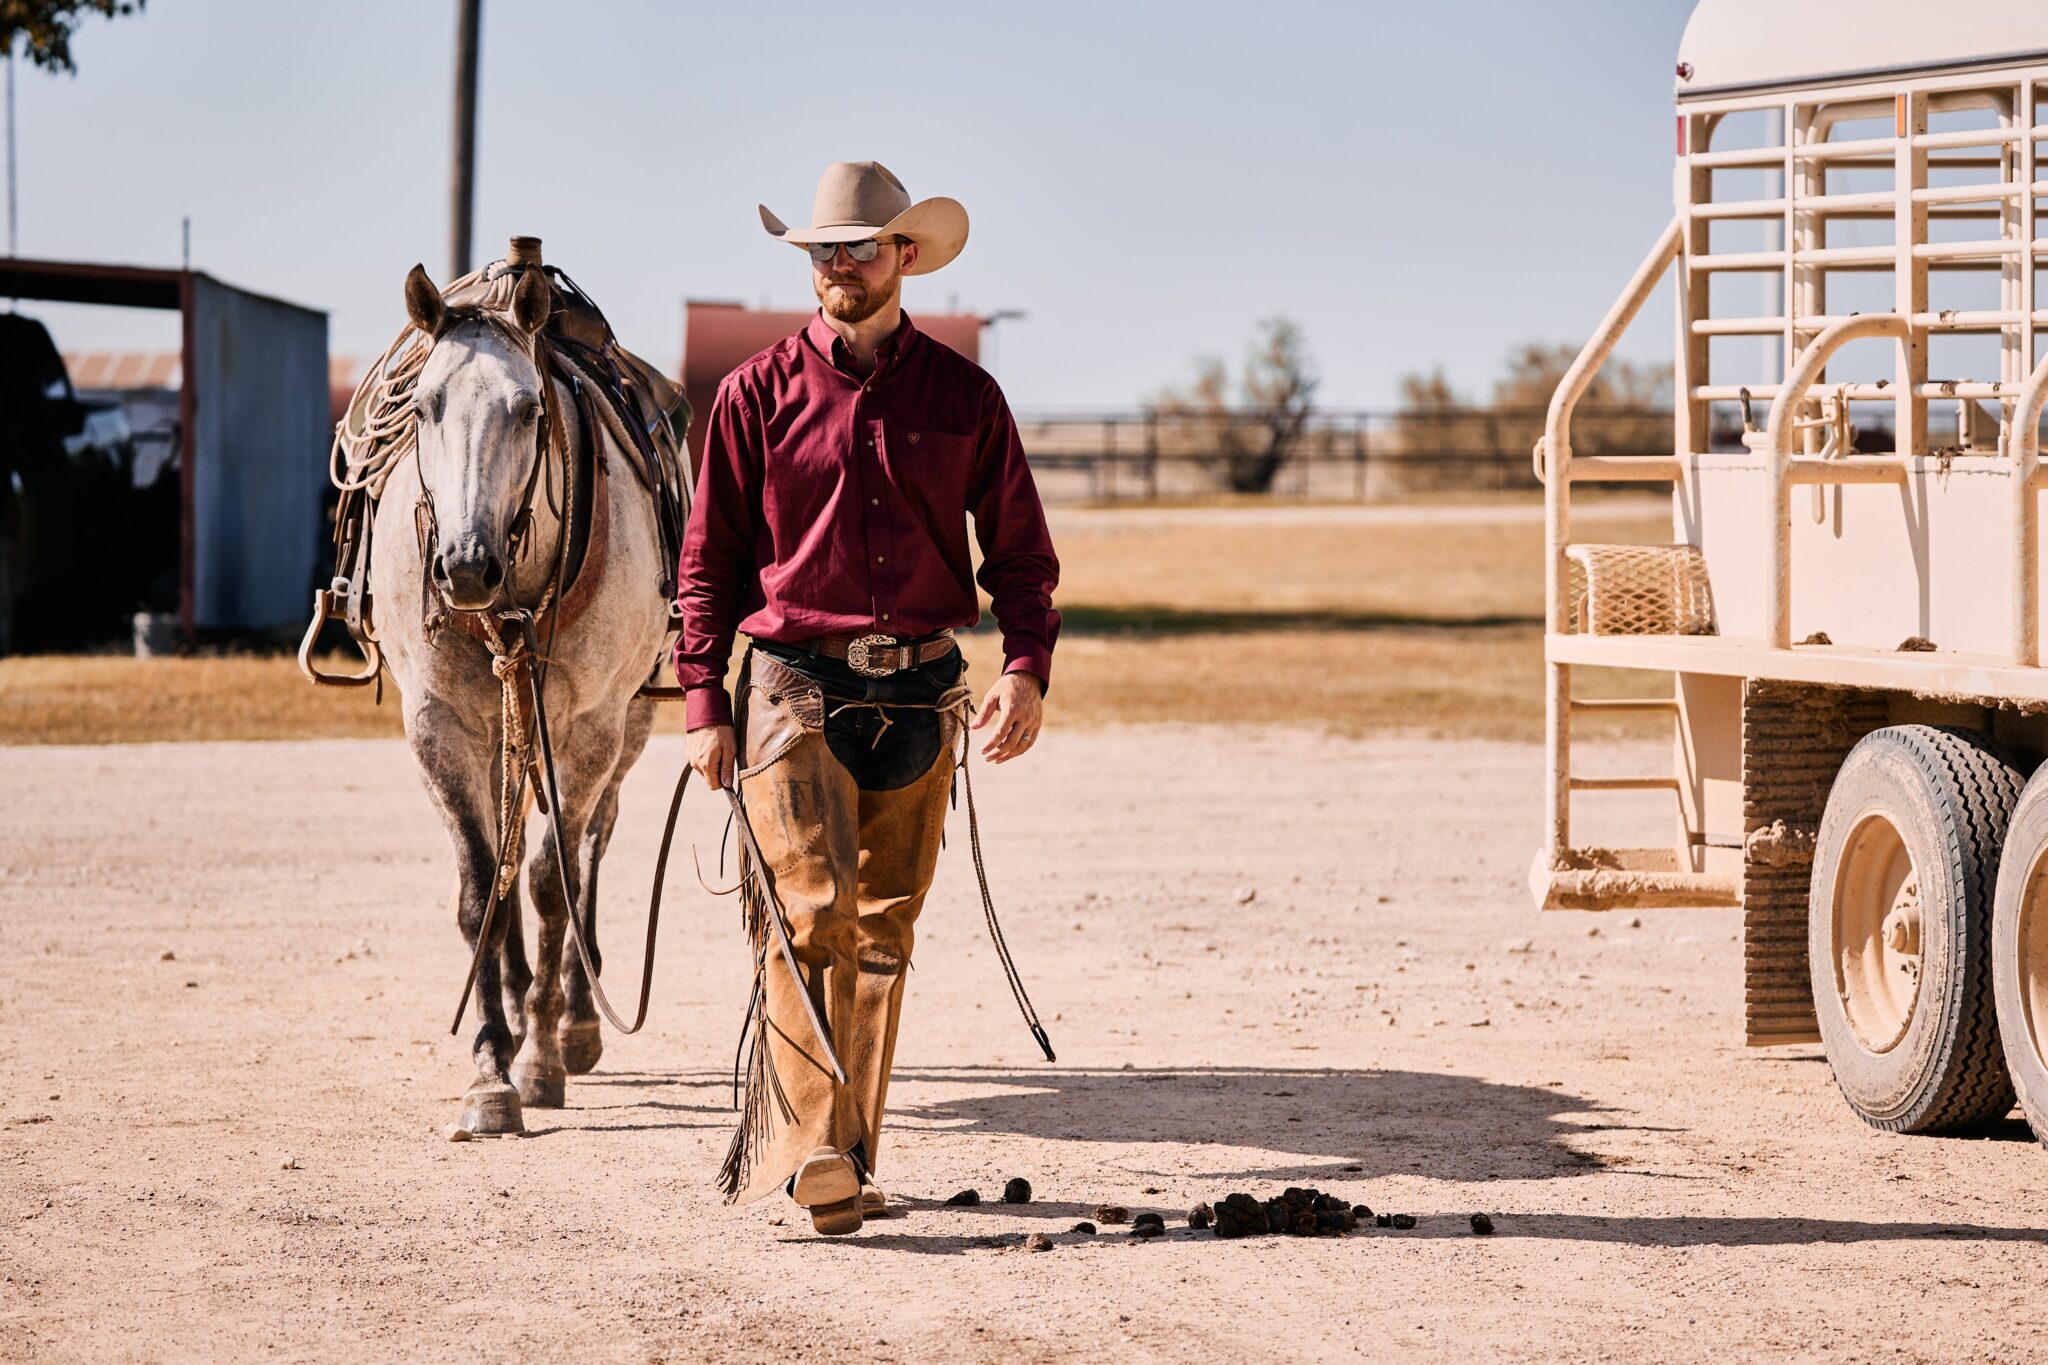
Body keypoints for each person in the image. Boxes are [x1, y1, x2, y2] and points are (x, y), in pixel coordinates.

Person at [673, 161, 1060, 1235]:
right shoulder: (753, 397)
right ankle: (810, 1156)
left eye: (858, 247)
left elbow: (1021, 556)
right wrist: (703, 700)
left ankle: (847, 1157)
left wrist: (1024, 664)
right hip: (794, 685)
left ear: (904, 257)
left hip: (926, 690)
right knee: (805, 919)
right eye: (821, 251)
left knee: (883, 932)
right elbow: (706, 564)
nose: (838, 266)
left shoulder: (967, 399)